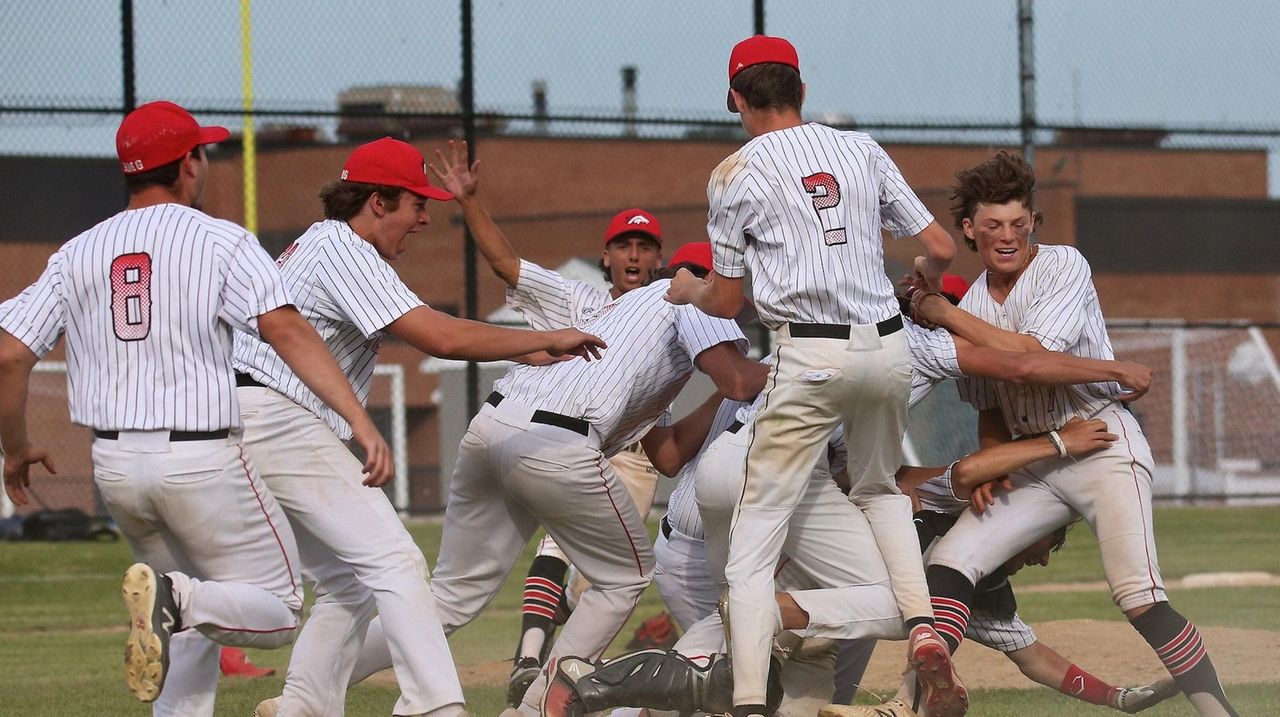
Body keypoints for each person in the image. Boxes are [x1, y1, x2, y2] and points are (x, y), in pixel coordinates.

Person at [0, 101, 393, 716]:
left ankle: (174, 603)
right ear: (189, 163)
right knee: (279, 609)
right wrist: (360, 419)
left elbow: (8, 355)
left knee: (181, 631)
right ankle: (178, 599)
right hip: (200, 458)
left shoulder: (76, 252)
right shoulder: (220, 239)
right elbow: (285, 330)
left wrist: (16, 447)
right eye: (201, 152)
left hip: (115, 466)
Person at [231, 137, 605, 717]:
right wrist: (544, 336)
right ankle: (436, 707)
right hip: (280, 419)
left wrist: (524, 352)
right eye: (416, 204)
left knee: (347, 585)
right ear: (377, 202)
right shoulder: (343, 247)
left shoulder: (330, 245)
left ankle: (301, 706)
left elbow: (445, 333)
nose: (426, 218)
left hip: (258, 420)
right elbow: (440, 335)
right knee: (398, 564)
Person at [664, 33, 964, 717]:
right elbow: (941, 246)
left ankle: (744, 700)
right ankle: (922, 627)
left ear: (735, 98)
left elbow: (730, 301)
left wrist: (688, 289)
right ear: (801, 88)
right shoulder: (861, 148)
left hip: (810, 354)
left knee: (754, 534)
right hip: (886, 347)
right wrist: (923, 281)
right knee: (881, 489)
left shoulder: (733, 173)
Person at [919, 151, 1237, 717]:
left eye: (1019, 222)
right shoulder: (970, 302)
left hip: (1101, 441)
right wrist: (993, 463)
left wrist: (937, 311)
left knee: (1138, 596)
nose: (1008, 236)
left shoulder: (1063, 264)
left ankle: (1220, 713)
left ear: (1034, 223)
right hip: (1036, 459)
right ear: (969, 230)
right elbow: (991, 405)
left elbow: (1030, 356)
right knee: (949, 559)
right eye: (992, 225)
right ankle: (921, 694)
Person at [433, 140, 673, 704]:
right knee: (613, 572)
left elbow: (670, 440)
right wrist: (469, 202)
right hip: (564, 442)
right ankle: (539, 686)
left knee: (581, 578)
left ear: (659, 260)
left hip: (614, 450)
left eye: (644, 245)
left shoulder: (670, 310)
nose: (634, 254)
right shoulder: (577, 298)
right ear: (605, 256)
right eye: (623, 245)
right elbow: (506, 263)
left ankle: (316, 690)